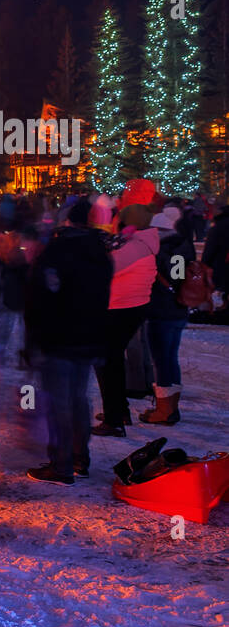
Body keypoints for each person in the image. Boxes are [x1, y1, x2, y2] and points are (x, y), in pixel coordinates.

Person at [23, 198, 113, 484]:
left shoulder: (58, 250)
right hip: (88, 335)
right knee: (78, 399)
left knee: (58, 402)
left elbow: (39, 296)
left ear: (69, 220)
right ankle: (79, 458)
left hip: (58, 336)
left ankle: (61, 465)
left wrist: (33, 338)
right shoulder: (100, 252)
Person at [93, 204, 159, 436]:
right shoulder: (138, 241)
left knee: (106, 362)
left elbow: (105, 268)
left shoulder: (135, 246)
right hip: (128, 306)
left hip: (121, 308)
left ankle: (114, 420)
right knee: (112, 360)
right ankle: (119, 411)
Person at [141, 207, 196, 425]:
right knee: (170, 358)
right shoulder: (183, 245)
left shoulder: (168, 250)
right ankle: (170, 407)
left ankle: (165, 410)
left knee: (162, 360)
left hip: (163, 311)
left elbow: (175, 277)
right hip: (178, 310)